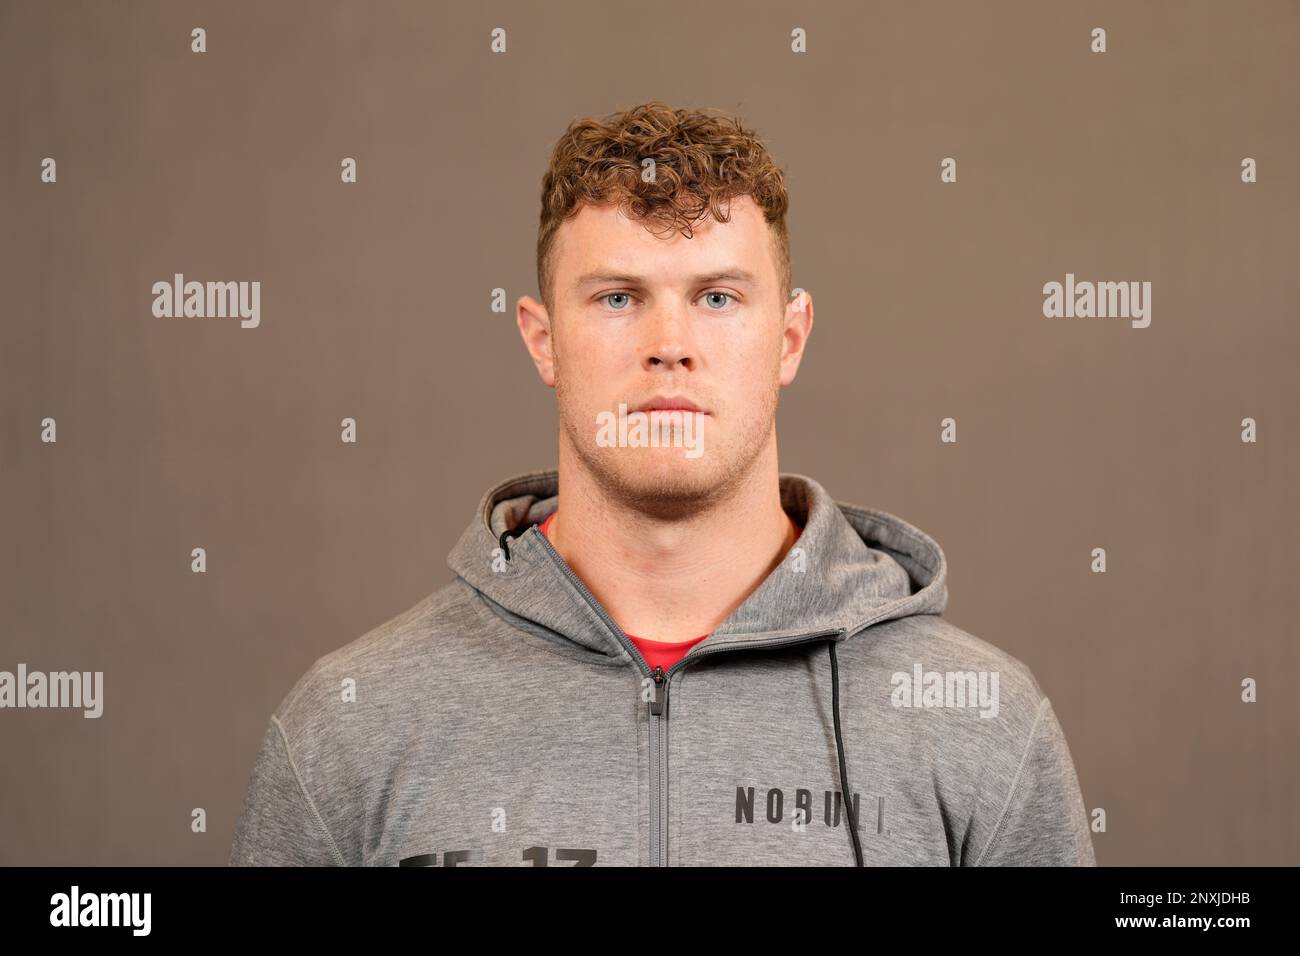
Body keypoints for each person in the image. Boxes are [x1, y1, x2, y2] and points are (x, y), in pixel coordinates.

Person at [229, 102, 1095, 866]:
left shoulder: (981, 723)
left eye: (718, 297)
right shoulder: (352, 726)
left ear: (789, 339)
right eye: (616, 298)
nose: (669, 343)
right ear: (542, 340)